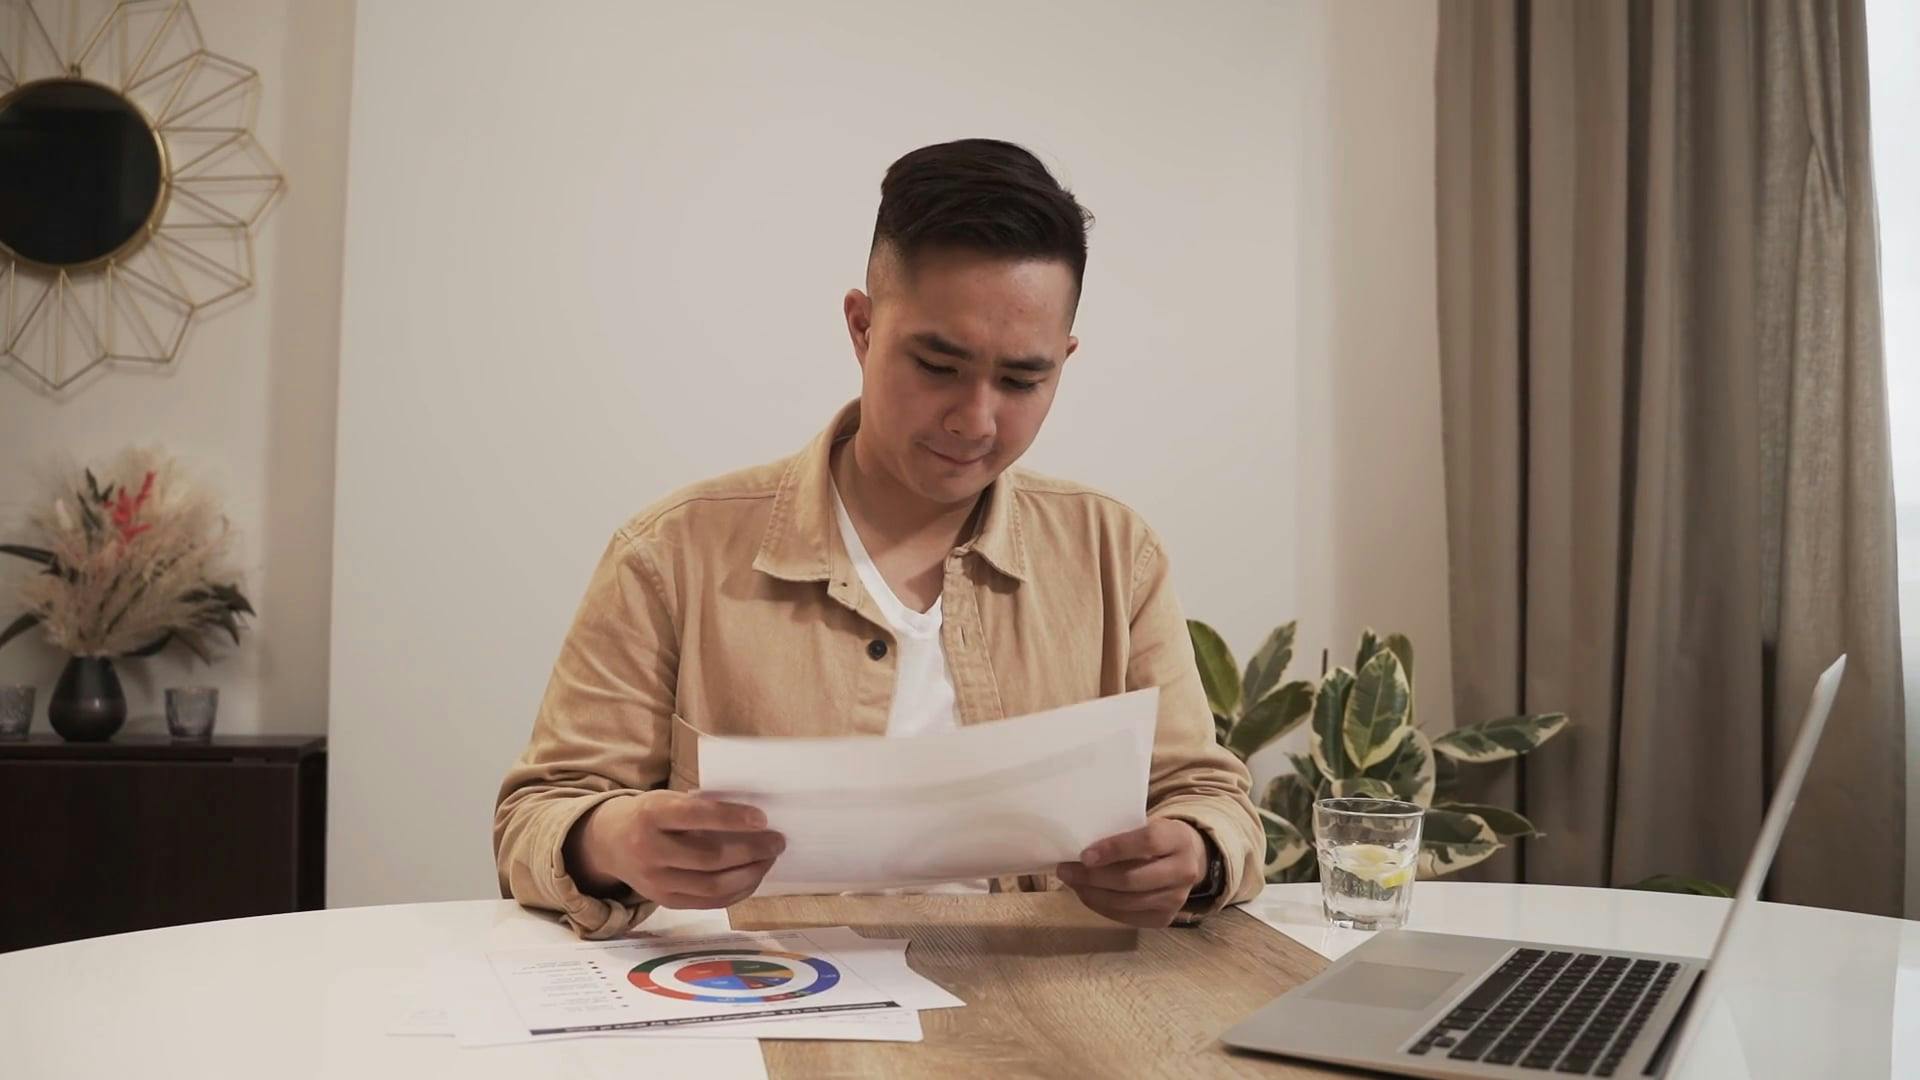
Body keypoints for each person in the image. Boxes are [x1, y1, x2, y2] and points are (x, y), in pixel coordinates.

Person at [494, 138, 1263, 938]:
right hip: (764, 1002)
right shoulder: (671, 554)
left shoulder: (1112, 553)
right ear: (862, 327)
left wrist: (1193, 851)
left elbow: (1208, 798)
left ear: (1064, 361)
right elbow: (537, 817)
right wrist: (610, 840)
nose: (975, 419)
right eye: (937, 365)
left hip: (1042, 1009)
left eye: (1022, 381)